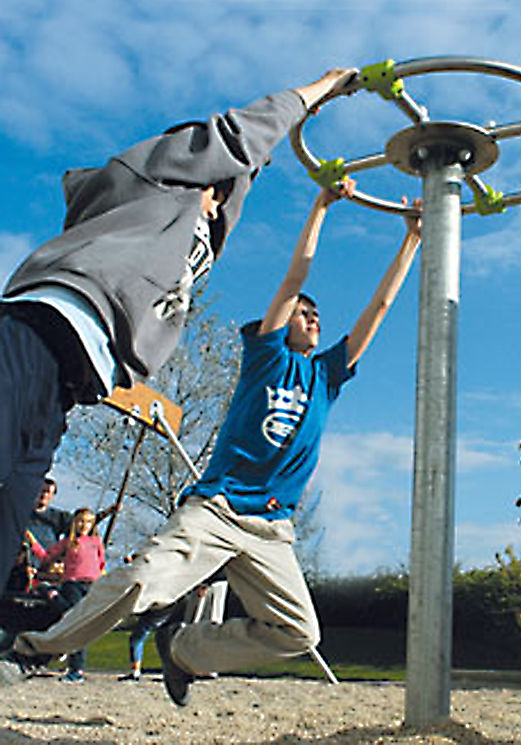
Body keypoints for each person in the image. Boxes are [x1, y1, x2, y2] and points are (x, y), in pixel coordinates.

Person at [4, 180, 422, 705]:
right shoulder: (268, 356)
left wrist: (412, 239)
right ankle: (34, 650)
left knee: (298, 632)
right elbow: (296, 278)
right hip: (218, 510)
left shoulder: (327, 377)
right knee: (142, 585)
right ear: (282, 320)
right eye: (304, 313)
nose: (313, 319)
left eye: (318, 316)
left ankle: (183, 652)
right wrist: (320, 207)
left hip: (271, 528)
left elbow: (379, 308)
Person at [0, 68, 357, 592]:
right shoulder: (150, 180)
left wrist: (264, 172)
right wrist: (314, 93)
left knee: (11, 511)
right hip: (37, 331)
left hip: (68, 385)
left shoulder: (203, 230)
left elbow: (244, 168)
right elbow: (241, 136)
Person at [26, 507, 105, 683]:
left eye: (88, 521)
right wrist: (33, 541)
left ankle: (75, 666)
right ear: (74, 523)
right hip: (72, 584)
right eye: (80, 521)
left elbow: (101, 563)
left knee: (83, 624)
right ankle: (75, 669)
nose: (84, 525)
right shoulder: (68, 543)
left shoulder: (96, 541)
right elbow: (46, 557)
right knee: (75, 621)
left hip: (91, 584)